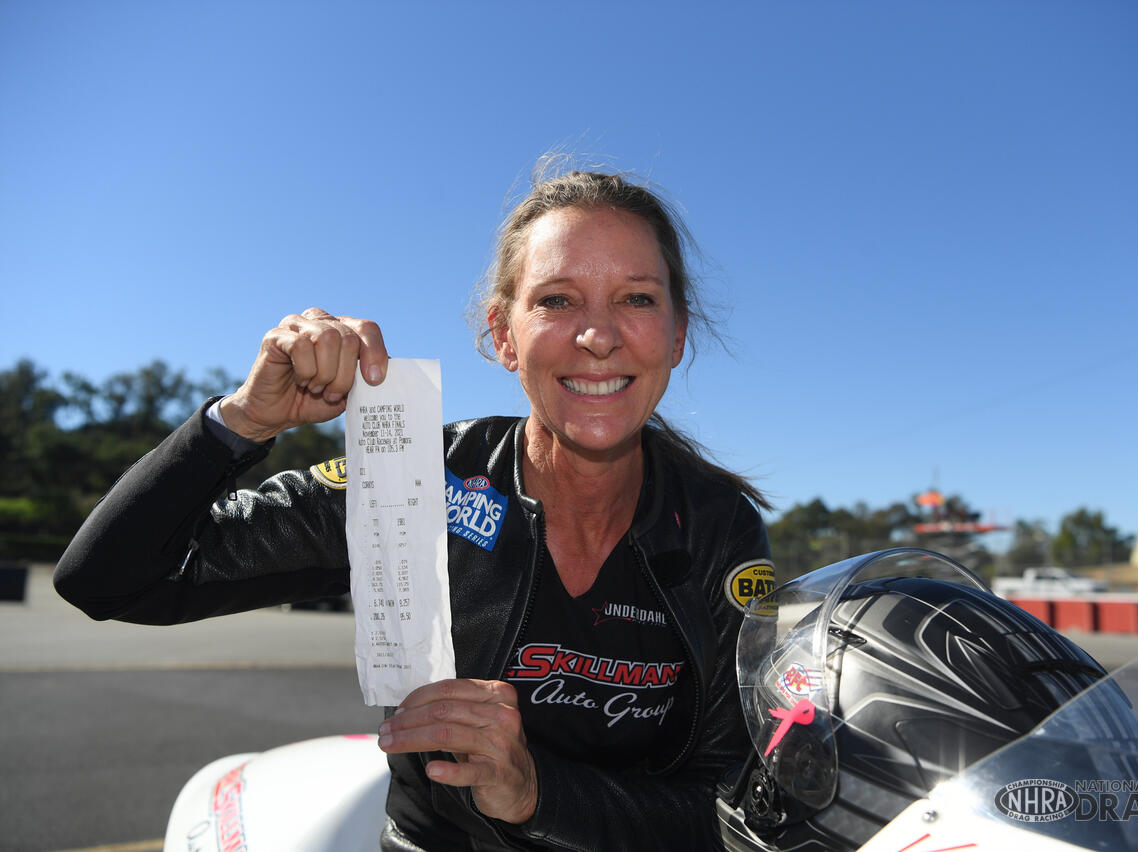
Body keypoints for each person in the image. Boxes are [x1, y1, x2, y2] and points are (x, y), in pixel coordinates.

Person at [55, 168, 775, 851]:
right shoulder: (415, 479)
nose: (598, 335)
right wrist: (241, 423)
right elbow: (112, 579)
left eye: (637, 298)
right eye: (556, 300)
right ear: (502, 335)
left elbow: (735, 817)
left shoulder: (720, 528)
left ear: (676, 334)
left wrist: (534, 794)